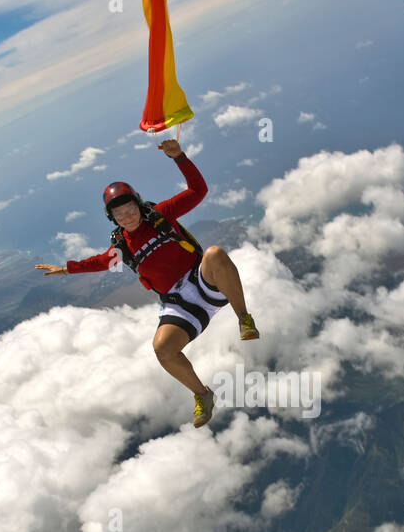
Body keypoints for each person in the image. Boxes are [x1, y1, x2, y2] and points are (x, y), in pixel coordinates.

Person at [36, 140, 259, 427]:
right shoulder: (122, 245)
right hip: (179, 305)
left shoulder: (161, 215)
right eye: (119, 214)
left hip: (202, 280)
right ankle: (202, 395)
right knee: (162, 349)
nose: (127, 216)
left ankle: (244, 318)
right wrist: (66, 269)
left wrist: (179, 157)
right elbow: (102, 261)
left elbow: (197, 191)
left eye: (129, 208)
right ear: (112, 218)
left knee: (215, 254)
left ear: (138, 204)